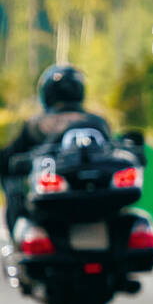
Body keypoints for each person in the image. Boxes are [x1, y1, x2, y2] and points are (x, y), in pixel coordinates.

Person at [1, 65, 112, 236]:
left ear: (47, 93)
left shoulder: (37, 124)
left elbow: (9, 158)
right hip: (100, 200)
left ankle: (17, 238)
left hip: (51, 204)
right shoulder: (98, 121)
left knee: (15, 185)